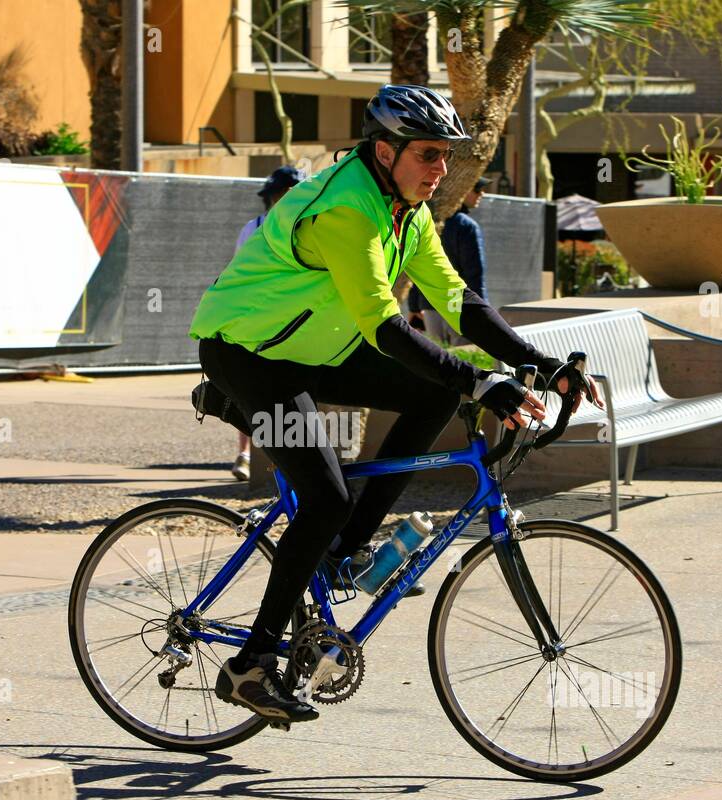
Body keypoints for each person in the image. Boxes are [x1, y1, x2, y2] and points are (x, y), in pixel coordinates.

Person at [188, 85, 600, 725]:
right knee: (322, 493)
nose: (443, 170)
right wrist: (482, 383)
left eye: (446, 156)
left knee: (435, 391)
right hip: (247, 354)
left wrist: (541, 365)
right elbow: (386, 327)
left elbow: (459, 302)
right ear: (385, 151)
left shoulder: (408, 212)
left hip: (312, 349)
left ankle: (347, 546)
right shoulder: (346, 210)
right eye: (430, 155)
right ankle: (252, 664)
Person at [231, 165, 307, 481]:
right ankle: (246, 453)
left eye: (291, 194)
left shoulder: (313, 228)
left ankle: (291, 465)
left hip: (301, 325)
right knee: (250, 394)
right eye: (278, 195)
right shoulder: (255, 228)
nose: (284, 201)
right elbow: (239, 276)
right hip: (259, 324)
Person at [407, 176, 490, 345]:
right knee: (463, 360)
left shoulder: (427, 221)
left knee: (436, 362)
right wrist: (482, 311)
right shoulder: (467, 226)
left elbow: (416, 266)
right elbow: (474, 274)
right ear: (463, 191)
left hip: (430, 305)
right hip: (457, 305)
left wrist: (414, 305)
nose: (482, 193)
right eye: (477, 189)